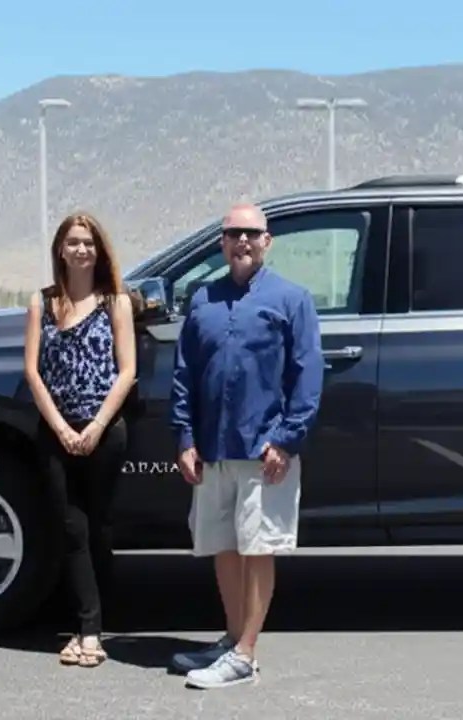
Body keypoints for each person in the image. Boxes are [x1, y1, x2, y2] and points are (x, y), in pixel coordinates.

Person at [168, 202, 323, 689]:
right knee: (223, 545)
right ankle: (231, 638)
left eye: (251, 234)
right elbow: (184, 374)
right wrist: (185, 436)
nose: (242, 242)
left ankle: (246, 653)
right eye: (233, 233)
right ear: (221, 242)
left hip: (264, 449)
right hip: (212, 448)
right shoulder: (203, 300)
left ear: (267, 241)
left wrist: (287, 438)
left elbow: (308, 375)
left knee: (258, 549)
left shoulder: (292, 299)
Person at [22, 211, 137, 669]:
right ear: (60, 250)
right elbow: (32, 370)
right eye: (72, 242)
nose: (81, 249)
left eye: (88, 242)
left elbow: (127, 371)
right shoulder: (42, 302)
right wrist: (62, 428)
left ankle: (95, 624)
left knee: (98, 526)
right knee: (70, 528)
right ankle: (87, 629)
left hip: (104, 431)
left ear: (100, 249)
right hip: (56, 431)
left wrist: (94, 427)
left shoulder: (116, 303)